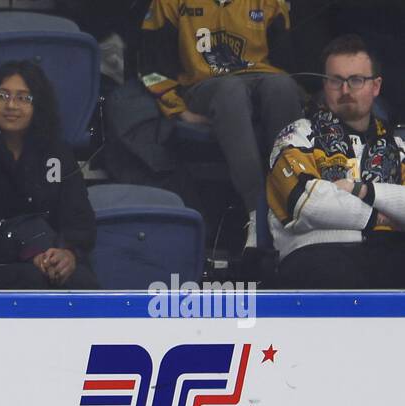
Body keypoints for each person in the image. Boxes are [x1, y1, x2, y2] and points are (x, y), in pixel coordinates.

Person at [140, 0, 303, 247]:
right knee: (230, 89)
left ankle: (293, 204)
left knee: (282, 85)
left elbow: (290, 67)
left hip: (261, 79)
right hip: (204, 86)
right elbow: (148, 64)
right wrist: (179, 110)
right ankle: (256, 212)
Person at [0, 61, 99, 290]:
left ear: (39, 105)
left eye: (23, 98)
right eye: (2, 96)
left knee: (82, 282)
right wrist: (27, 252)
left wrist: (67, 253)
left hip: (43, 257)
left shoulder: (57, 152)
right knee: (32, 281)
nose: (11, 105)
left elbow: (79, 219)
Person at [267, 35, 405, 289]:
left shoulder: (397, 148)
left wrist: (362, 190)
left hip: (389, 255)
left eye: (356, 80)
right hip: (317, 255)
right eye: (335, 80)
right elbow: (308, 204)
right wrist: (385, 217)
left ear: (375, 87)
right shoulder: (296, 135)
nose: (345, 90)